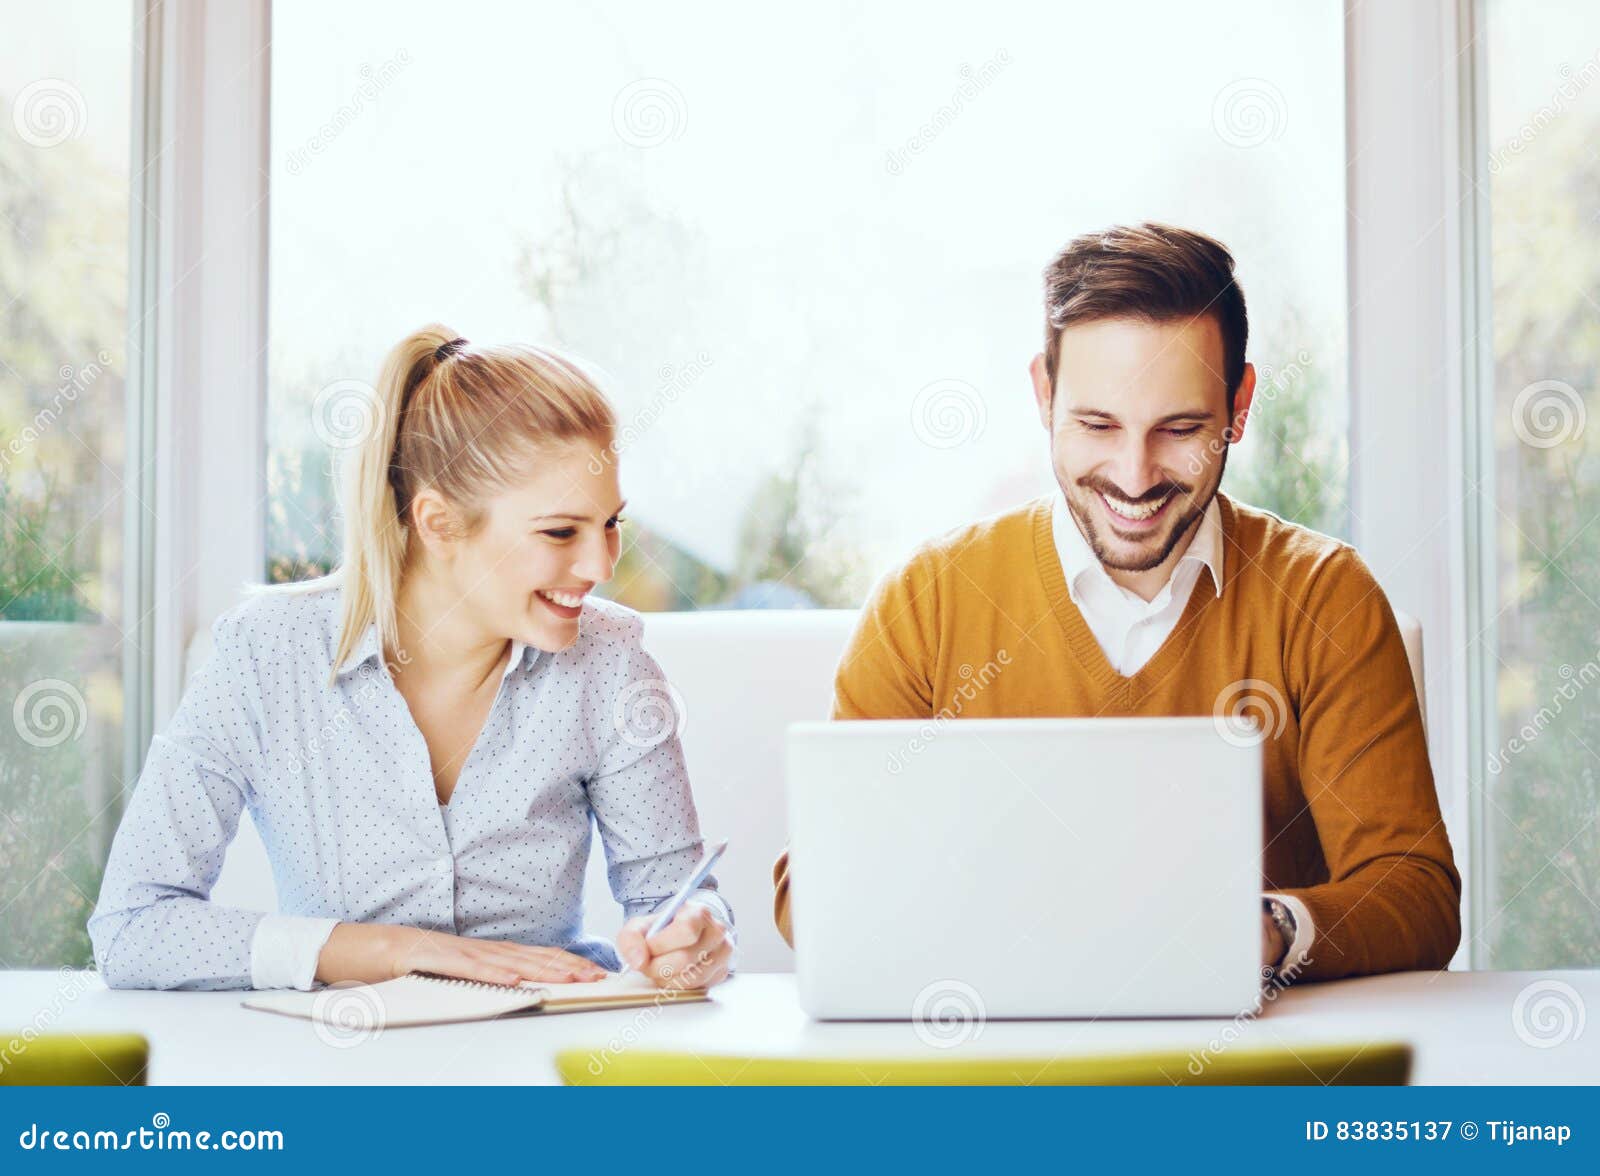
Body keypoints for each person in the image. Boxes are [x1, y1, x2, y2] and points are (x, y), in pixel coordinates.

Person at [773, 223, 1460, 983]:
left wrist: (1266, 929)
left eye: (1182, 429)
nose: (1135, 477)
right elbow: (813, 894)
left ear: (1239, 403)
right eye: (1098, 425)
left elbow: (1416, 893)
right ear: (1044, 393)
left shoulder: (1324, 597)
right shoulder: (930, 600)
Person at [90, 326, 733, 991]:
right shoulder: (265, 653)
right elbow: (134, 927)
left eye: (612, 524)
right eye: (561, 531)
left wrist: (696, 935)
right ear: (437, 523)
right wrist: (398, 950)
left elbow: (678, 899)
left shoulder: (610, 664)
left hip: (536, 1066)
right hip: (340, 1067)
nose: (601, 564)